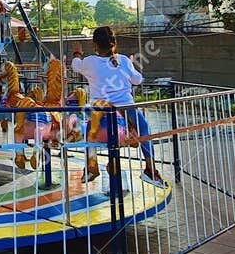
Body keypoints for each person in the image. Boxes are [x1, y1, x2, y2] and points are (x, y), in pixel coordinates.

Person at [70, 26, 164, 184]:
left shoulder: (90, 62)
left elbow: (75, 66)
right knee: (144, 129)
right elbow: (137, 80)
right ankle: (150, 167)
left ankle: (91, 165)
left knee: (88, 130)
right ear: (114, 43)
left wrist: (77, 53)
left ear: (94, 45)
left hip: (100, 107)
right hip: (126, 107)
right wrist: (131, 66)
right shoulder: (124, 60)